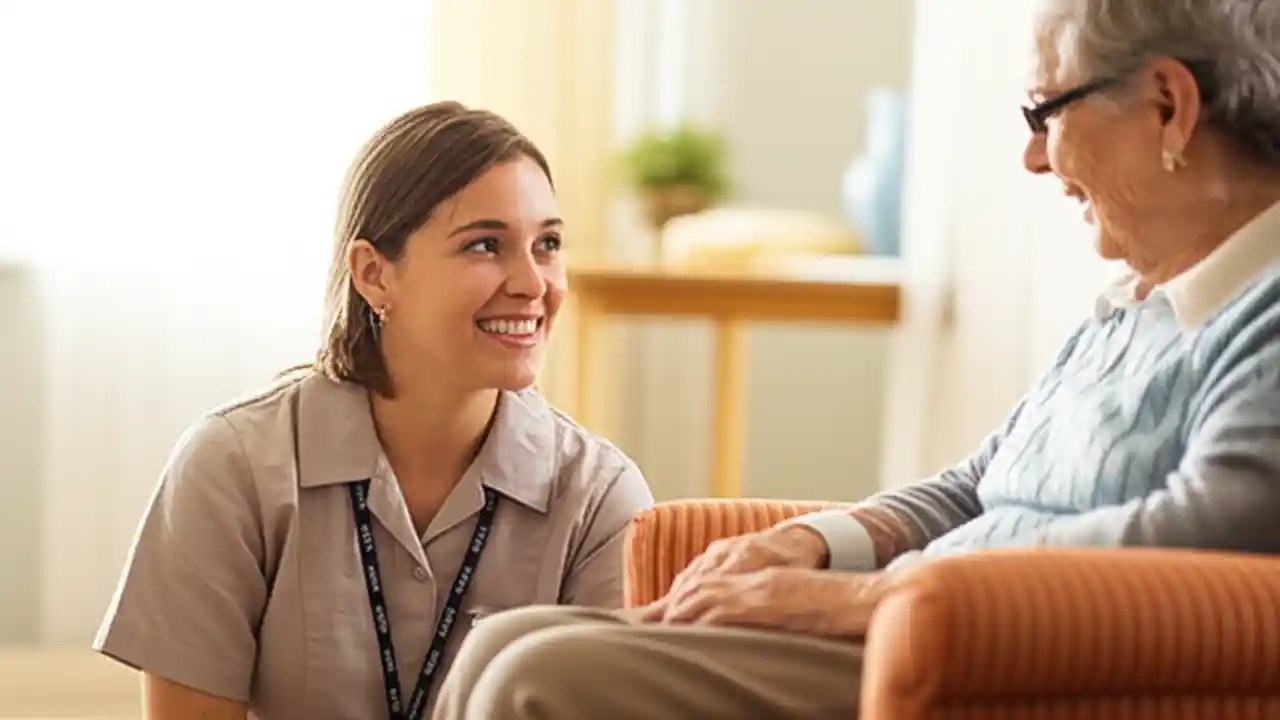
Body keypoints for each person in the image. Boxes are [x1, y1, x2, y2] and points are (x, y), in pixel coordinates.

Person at [433, 1, 1280, 718]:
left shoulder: (1264, 311)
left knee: (534, 678)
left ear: (1169, 106)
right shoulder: (1129, 310)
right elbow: (974, 486)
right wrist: (811, 545)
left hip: (995, 664)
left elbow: (1215, 533)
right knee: (504, 639)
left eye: (1044, 113)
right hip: (918, 623)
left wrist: (865, 599)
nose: (1032, 156)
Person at [93, 101, 654, 720]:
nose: (532, 282)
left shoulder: (601, 502)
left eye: (547, 243)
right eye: (485, 245)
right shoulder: (232, 466)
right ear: (374, 274)